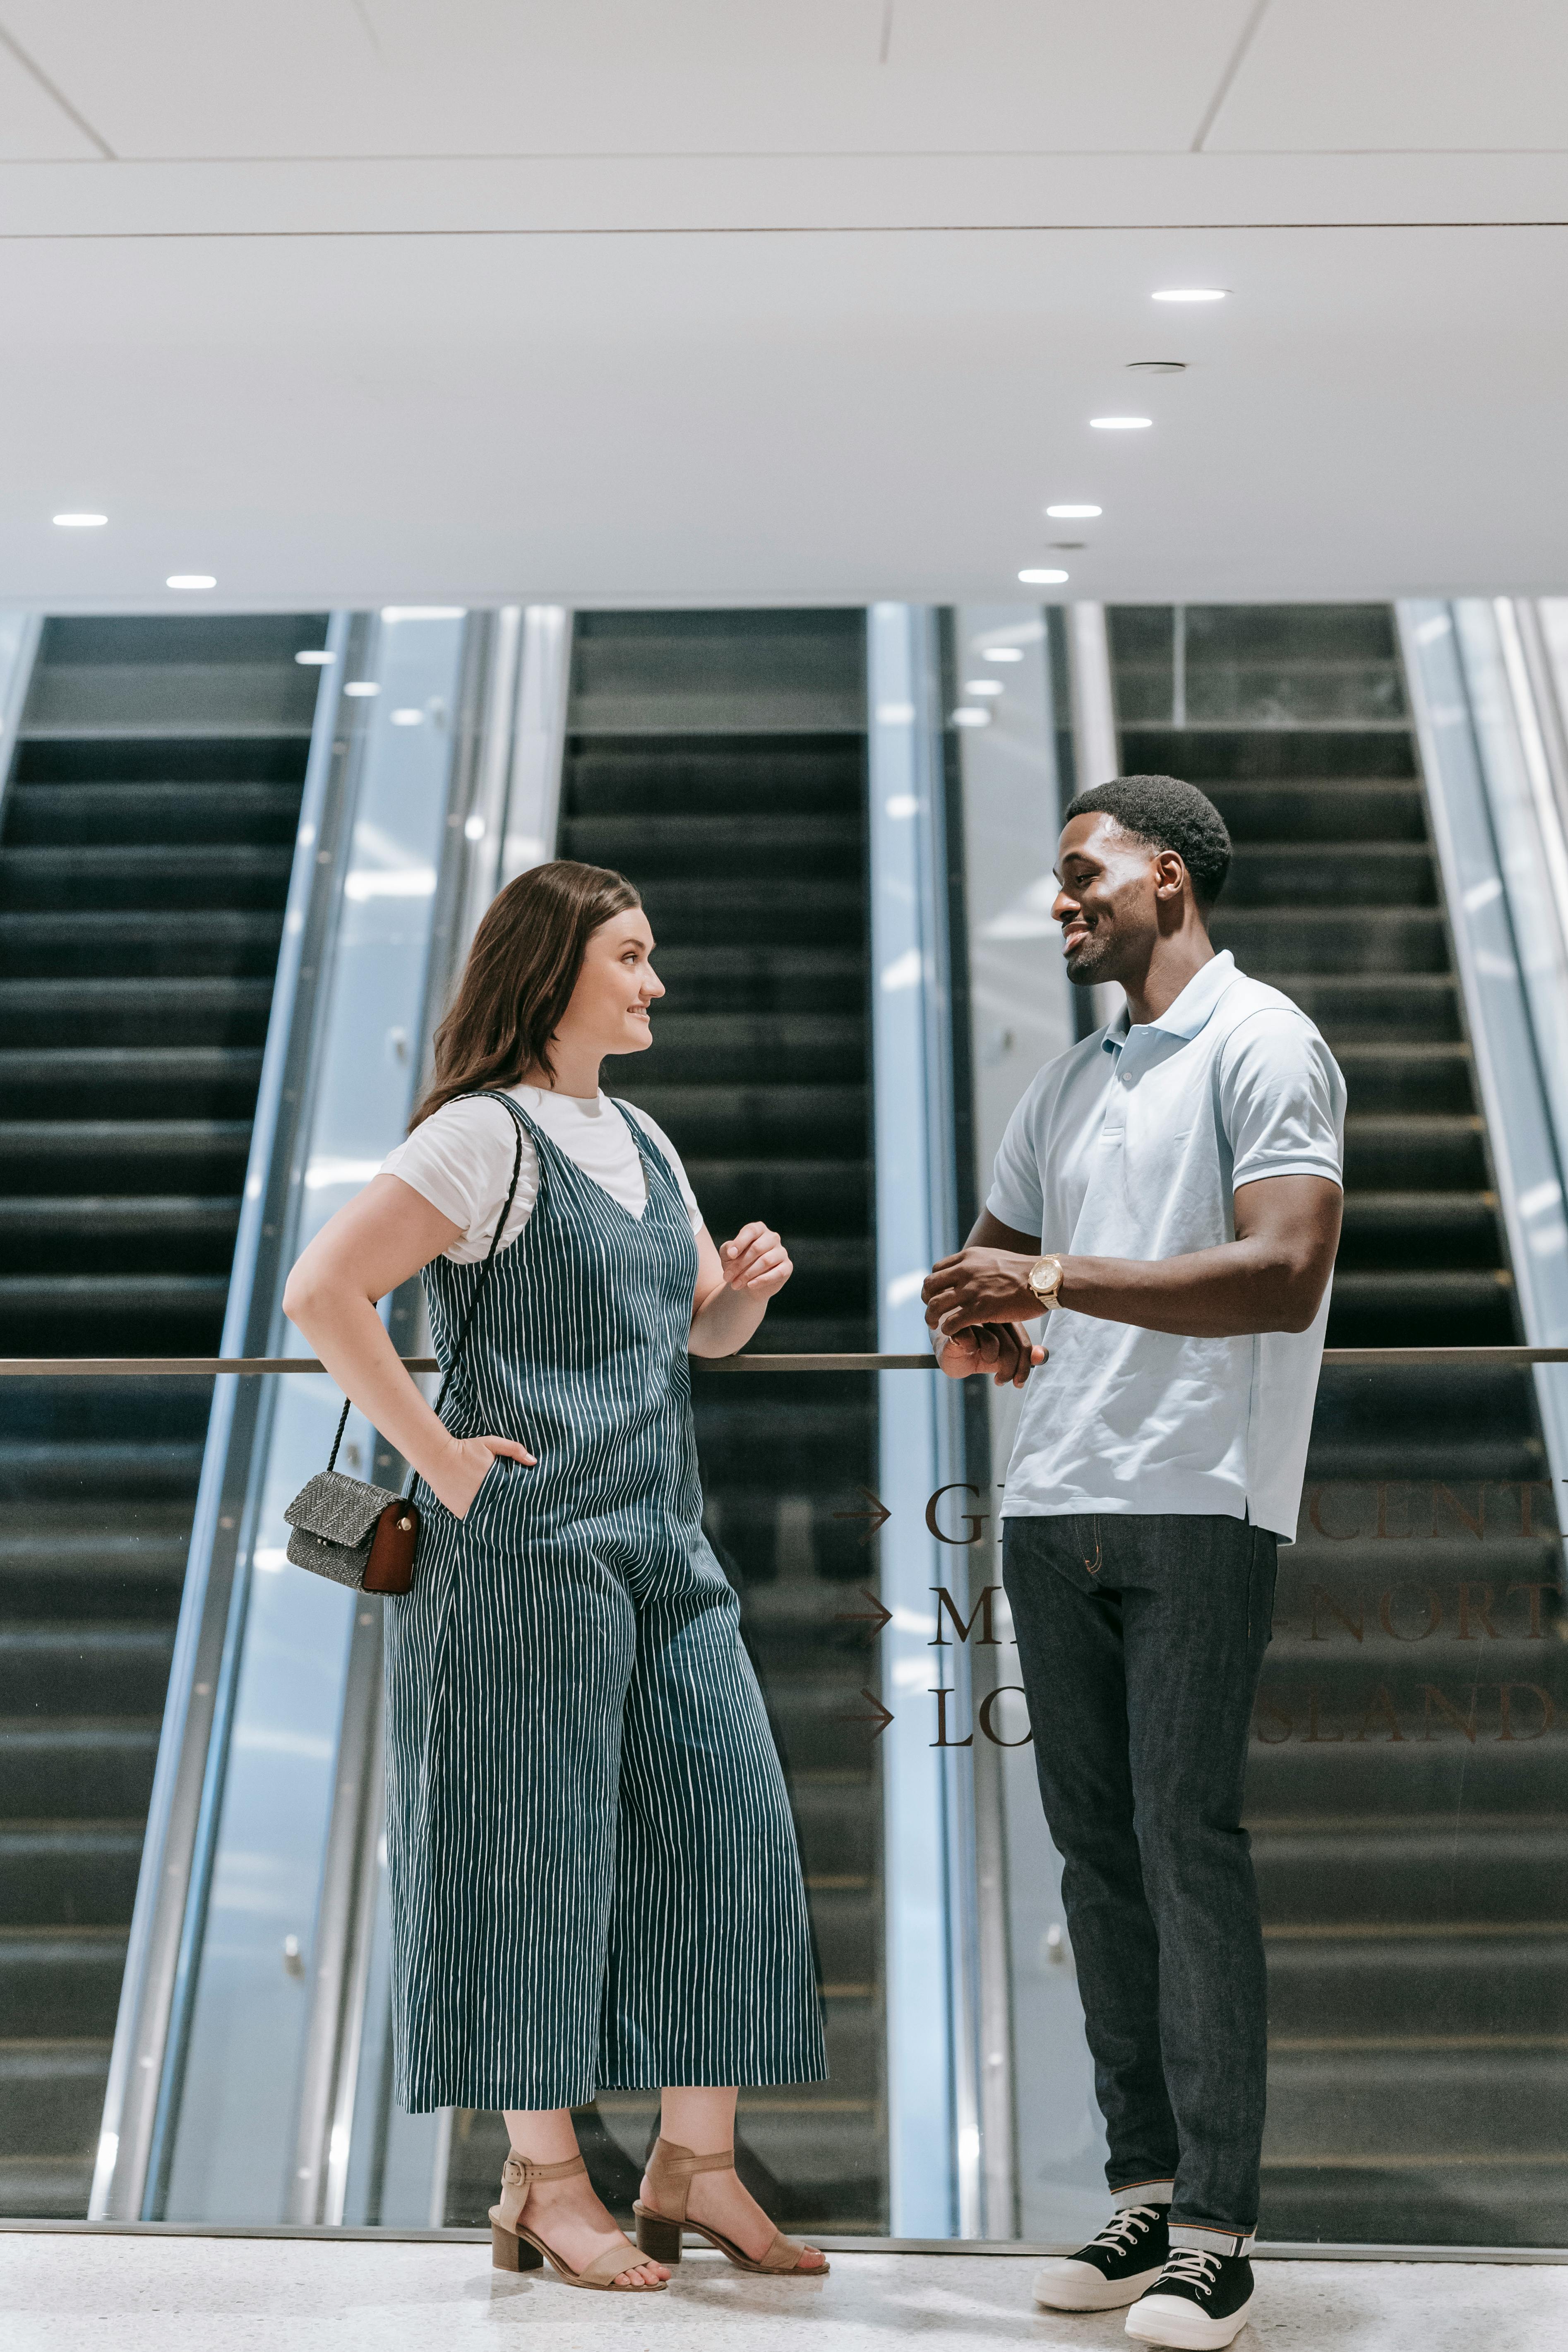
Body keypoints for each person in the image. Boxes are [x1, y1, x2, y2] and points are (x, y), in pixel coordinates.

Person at [283, 858, 828, 2294]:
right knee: (531, 1860)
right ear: (557, 969)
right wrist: (443, 1456)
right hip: (522, 1554)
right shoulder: (483, 1137)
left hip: (663, 1540)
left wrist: (743, 1297)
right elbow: (325, 1290)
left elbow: (696, 1333)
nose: (656, 983)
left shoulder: (641, 1135)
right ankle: (542, 2177)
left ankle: (695, 2163)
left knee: (730, 1827)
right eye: (634, 957)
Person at [922, 777, 1345, 2352]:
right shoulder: (1071, 1082)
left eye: (1082, 872)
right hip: (1055, 1504)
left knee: (1186, 1844)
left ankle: (1223, 2230)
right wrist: (984, 1312)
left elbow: (1286, 1271)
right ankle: (1146, 2190)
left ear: (1168, 876)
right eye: (1056, 879)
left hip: (1202, 1495)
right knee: (1099, 1862)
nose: (1061, 901)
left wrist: (1051, 1274)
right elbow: (996, 1266)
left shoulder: (1266, 1043)